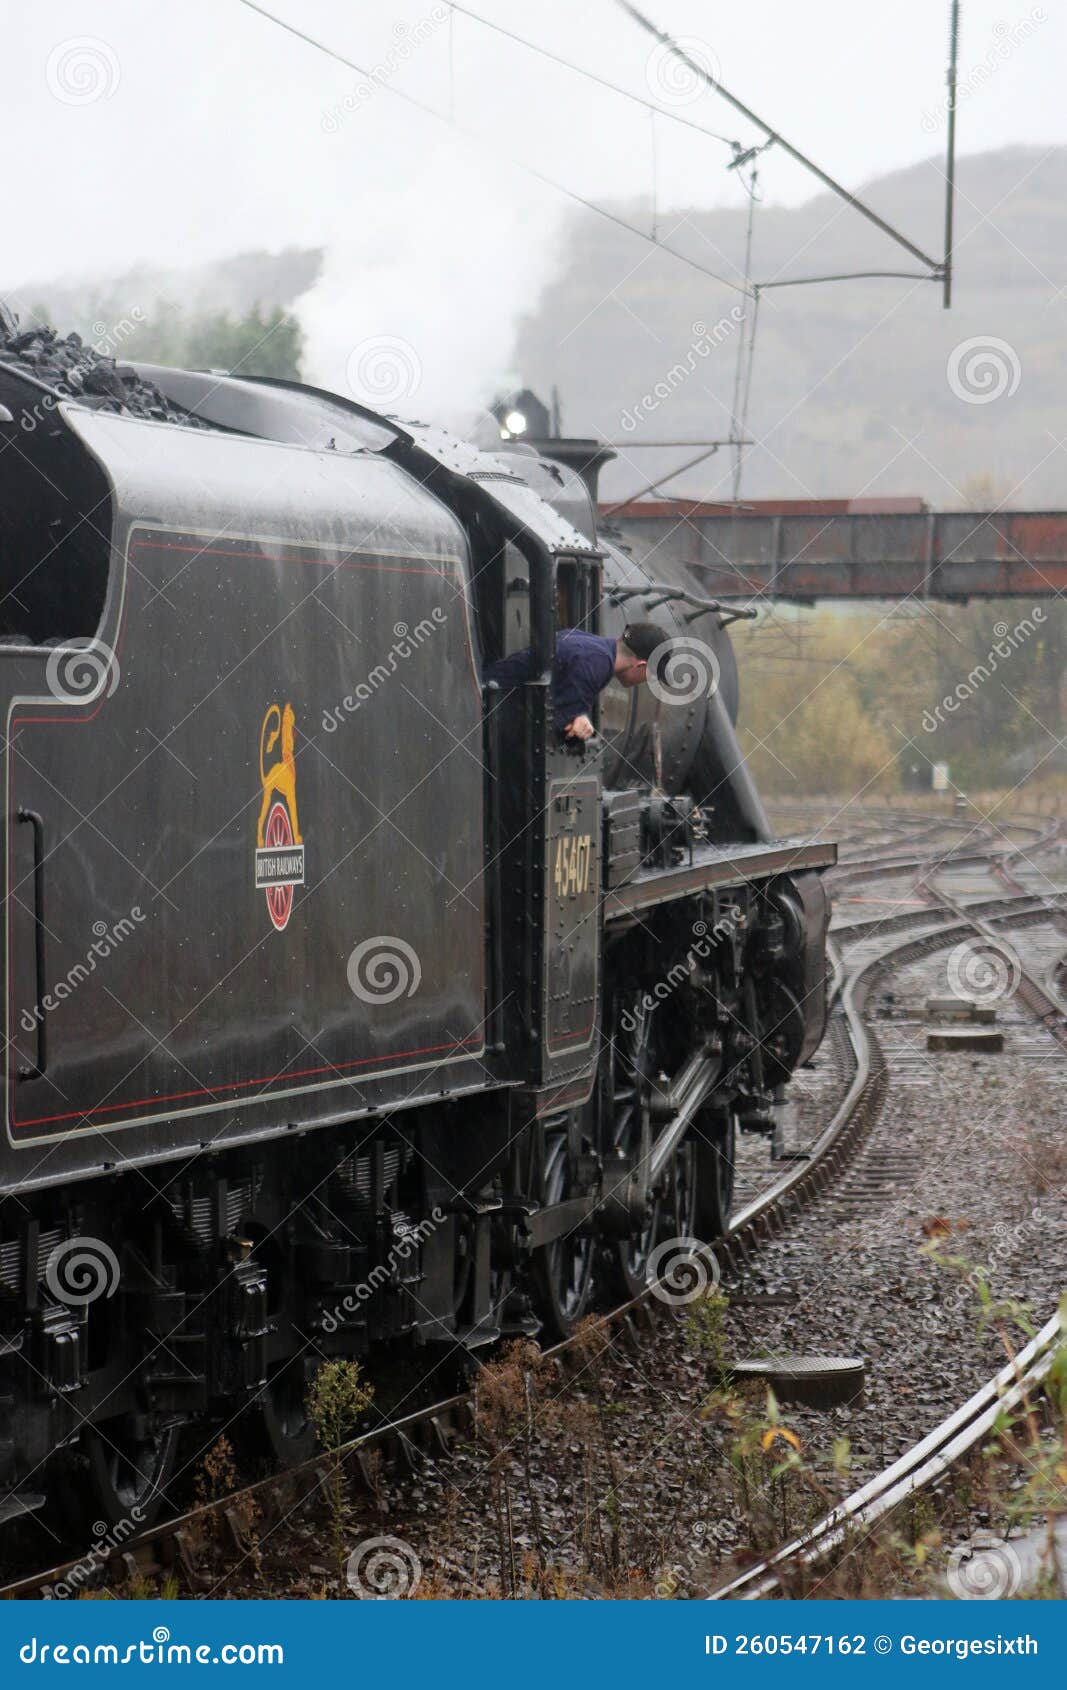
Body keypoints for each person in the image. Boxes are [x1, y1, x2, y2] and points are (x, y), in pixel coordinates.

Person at [484, 621, 667, 741]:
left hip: (487, 697)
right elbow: (557, 728)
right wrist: (579, 723)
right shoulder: (597, 664)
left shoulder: (589, 644)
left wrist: (579, 715)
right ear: (641, 666)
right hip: (488, 714)